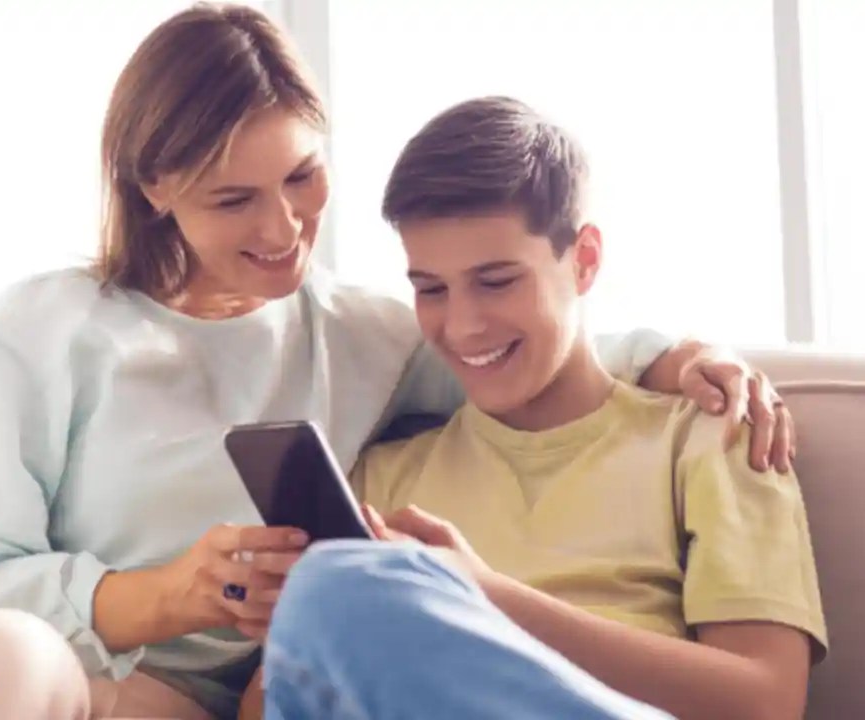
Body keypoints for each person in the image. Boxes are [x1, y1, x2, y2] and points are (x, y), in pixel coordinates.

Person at [0, 5, 799, 720]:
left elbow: (530, 350)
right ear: (156, 187)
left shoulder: (360, 334)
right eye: (232, 199)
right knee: (10, 656)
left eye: (301, 175)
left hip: (215, 701)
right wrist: (172, 594)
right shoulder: (48, 326)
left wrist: (686, 358)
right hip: (58, 682)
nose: (282, 226)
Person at [257, 95, 827, 720]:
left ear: (584, 260)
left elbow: (766, 702)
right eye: (431, 290)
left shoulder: (713, 436)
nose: (463, 326)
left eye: (497, 281)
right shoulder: (383, 479)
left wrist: (481, 595)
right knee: (325, 593)